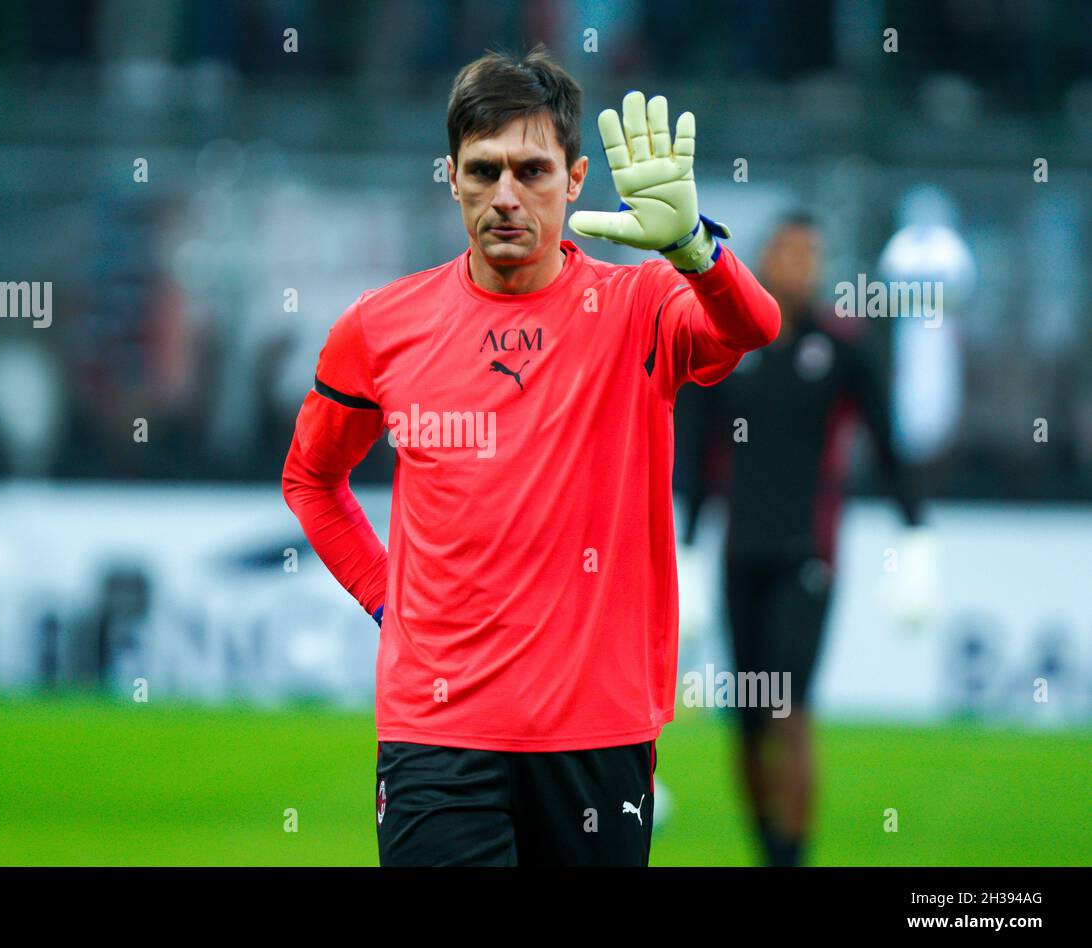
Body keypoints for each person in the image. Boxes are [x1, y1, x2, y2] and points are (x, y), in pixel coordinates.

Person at [282, 43, 779, 866]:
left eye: (532, 170)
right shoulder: (379, 328)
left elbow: (752, 327)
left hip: (595, 733)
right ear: (450, 177)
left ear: (577, 178)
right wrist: (387, 600)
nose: (505, 197)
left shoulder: (641, 306)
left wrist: (694, 246)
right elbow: (311, 478)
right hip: (435, 734)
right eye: (482, 172)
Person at [676, 213, 928, 866]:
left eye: (811, 254)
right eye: (788, 252)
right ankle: (768, 851)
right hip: (738, 557)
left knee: (789, 707)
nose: (800, 265)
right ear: (763, 257)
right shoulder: (729, 344)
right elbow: (696, 448)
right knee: (748, 717)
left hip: (807, 558)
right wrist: (687, 546)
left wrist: (917, 538)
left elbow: (888, 442)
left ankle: (793, 857)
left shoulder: (841, 349)